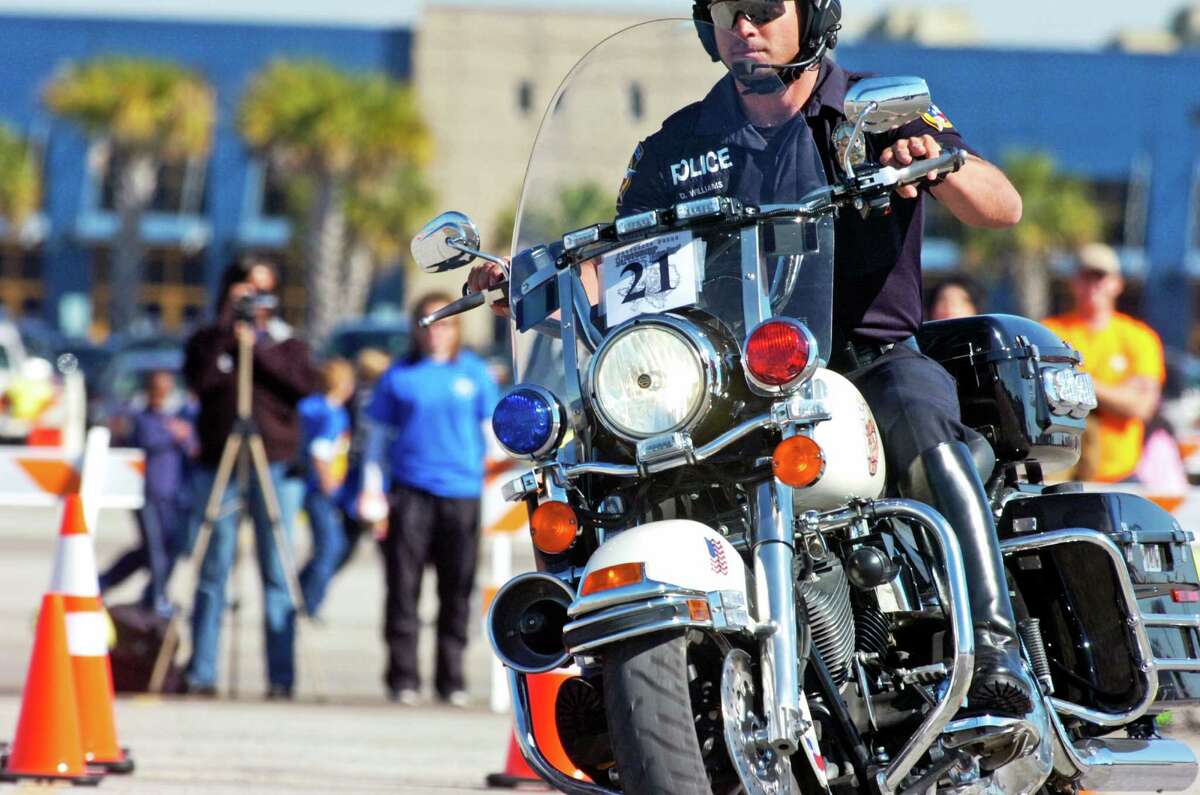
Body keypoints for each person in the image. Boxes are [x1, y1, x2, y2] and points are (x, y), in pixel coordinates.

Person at [470, 0, 1035, 717]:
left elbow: (1002, 205)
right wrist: (527, 284)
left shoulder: (874, 112)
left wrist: (939, 162)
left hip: (863, 362)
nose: (745, 27)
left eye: (765, 10)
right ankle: (604, 662)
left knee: (925, 423)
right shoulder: (676, 145)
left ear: (815, 17)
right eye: (730, 13)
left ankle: (992, 646)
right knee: (591, 461)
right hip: (719, 381)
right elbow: (611, 267)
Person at [182, 259, 319, 699]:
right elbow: (200, 382)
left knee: (277, 569)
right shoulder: (209, 339)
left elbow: (301, 385)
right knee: (213, 566)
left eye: (263, 291)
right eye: (246, 290)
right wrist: (229, 334)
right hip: (220, 457)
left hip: (273, 460)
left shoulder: (286, 343)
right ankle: (201, 671)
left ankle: (281, 676)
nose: (254, 300)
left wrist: (255, 347)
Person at [359, 293, 499, 707]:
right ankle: (403, 677)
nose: (436, 332)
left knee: (457, 589)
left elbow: (493, 436)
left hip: (462, 494)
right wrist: (372, 487)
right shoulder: (398, 376)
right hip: (410, 492)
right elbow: (376, 441)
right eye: (428, 324)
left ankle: (451, 678)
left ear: (456, 329)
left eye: (444, 324)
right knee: (403, 587)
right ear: (415, 329)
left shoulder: (474, 374)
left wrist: (497, 483)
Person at [1043, 243, 1166, 483]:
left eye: (1099, 277)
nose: (1093, 285)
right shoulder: (1050, 331)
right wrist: (1115, 392)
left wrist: (1079, 383)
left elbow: (1141, 406)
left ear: (1116, 283)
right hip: (1062, 474)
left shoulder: (1138, 337)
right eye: (1085, 277)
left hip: (1119, 473)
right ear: (1073, 282)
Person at [99, 369, 197, 617]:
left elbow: (193, 446)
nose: (163, 394)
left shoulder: (177, 417)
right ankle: (155, 599)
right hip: (147, 496)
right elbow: (147, 439)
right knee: (154, 552)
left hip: (173, 497)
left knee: (168, 549)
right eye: (158, 388)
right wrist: (174, 433)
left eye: (166, 388)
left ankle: (135, 590)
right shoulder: (140, 418)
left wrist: (180, 433)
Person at [296, 358, 355, 617]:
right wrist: (328, 483)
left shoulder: (310, 407)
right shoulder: (333, 414)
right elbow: (320, 451)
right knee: (331, 546)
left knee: (328, 544)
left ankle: (300, 589)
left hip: (305, 485)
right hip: (320, 488)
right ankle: (309, 600)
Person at [335, 347, 394, 573]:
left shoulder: (357, 396)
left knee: (349, 540)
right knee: (378, 538)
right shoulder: (374, 398)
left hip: (359, 470)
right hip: (371, 472)